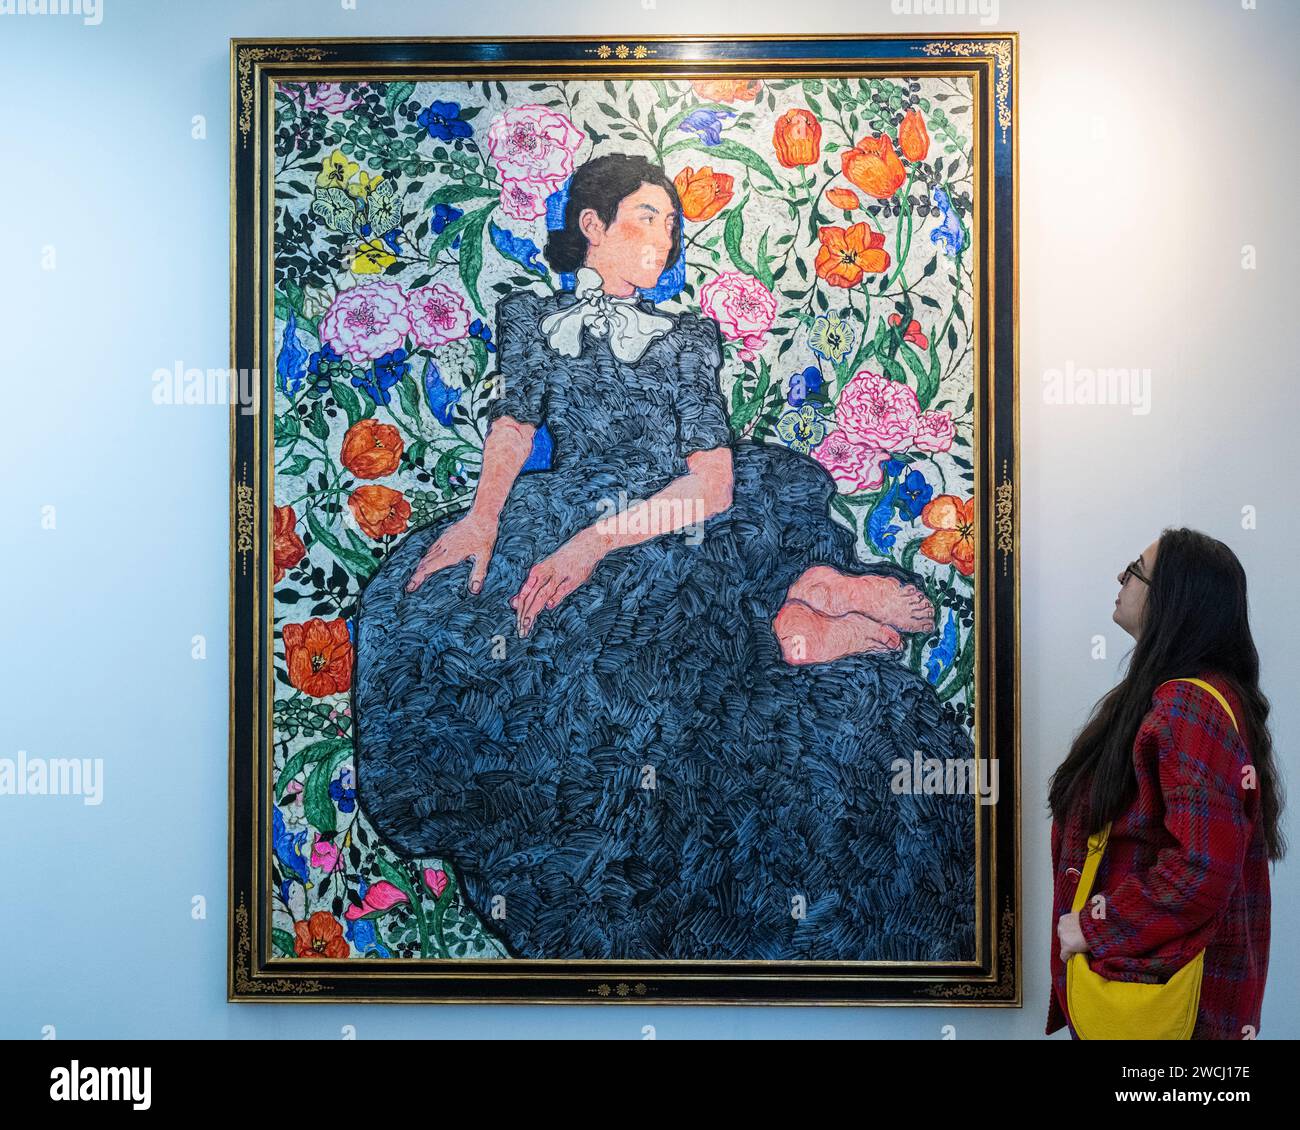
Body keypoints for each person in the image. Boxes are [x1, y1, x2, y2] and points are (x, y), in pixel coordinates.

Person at [353, 153, 975, 960]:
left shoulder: (684, 337)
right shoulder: (530, 321)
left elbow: (711, 487)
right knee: (441, 622)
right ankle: (799, 604)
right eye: (647, 216)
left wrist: (592, 543)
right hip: (566, 501)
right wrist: (481, 519)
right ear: (592, 227)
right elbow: (514, 426)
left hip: (666, 513)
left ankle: (809, 603)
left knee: (651, 637)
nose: (664, 235)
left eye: (671, 223)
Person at [1046, 529, 1283, 1038]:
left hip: (1169, 1008)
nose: (1120, 577)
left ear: (1172, 598)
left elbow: (1201, 866)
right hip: (1150, 992)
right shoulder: (1187, 699)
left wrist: (1093, 926)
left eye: (1135, 568)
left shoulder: (1188, 707)